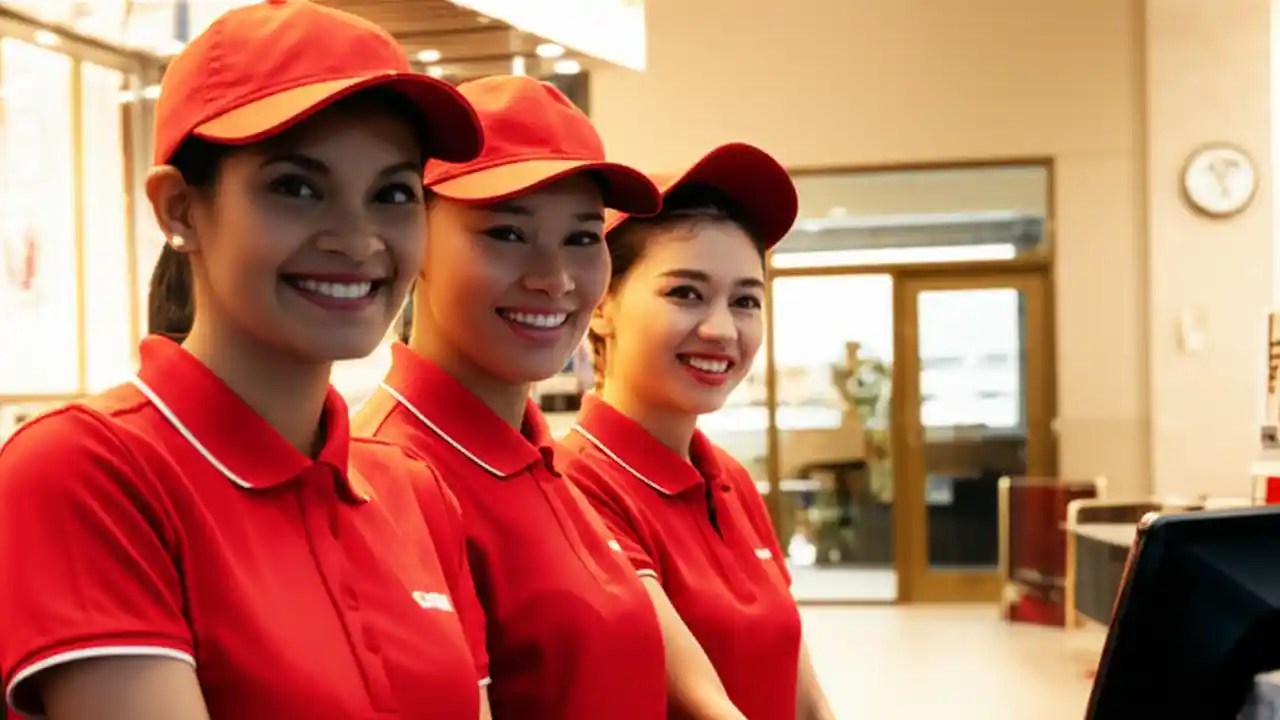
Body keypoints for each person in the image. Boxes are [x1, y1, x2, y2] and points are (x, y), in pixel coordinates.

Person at [0, 2, 493, 718]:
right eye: (296, 187)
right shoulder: (84, 470)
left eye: (392, 194)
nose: (358, 240)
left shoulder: (413, 490)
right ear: (178, 209)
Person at [352, 75, 668, 719]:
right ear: (414, 238)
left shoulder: (538, 456)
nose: (553, 279)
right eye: (506, 234)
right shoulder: (387, 476)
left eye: (583, 239)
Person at [559, 143, 837, 720]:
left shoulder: (728, 478)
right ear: (601, 303)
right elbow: (700, 703)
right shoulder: (577, 485)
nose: (721, 329)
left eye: (745, 301)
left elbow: (803, 692)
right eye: (685, 293)